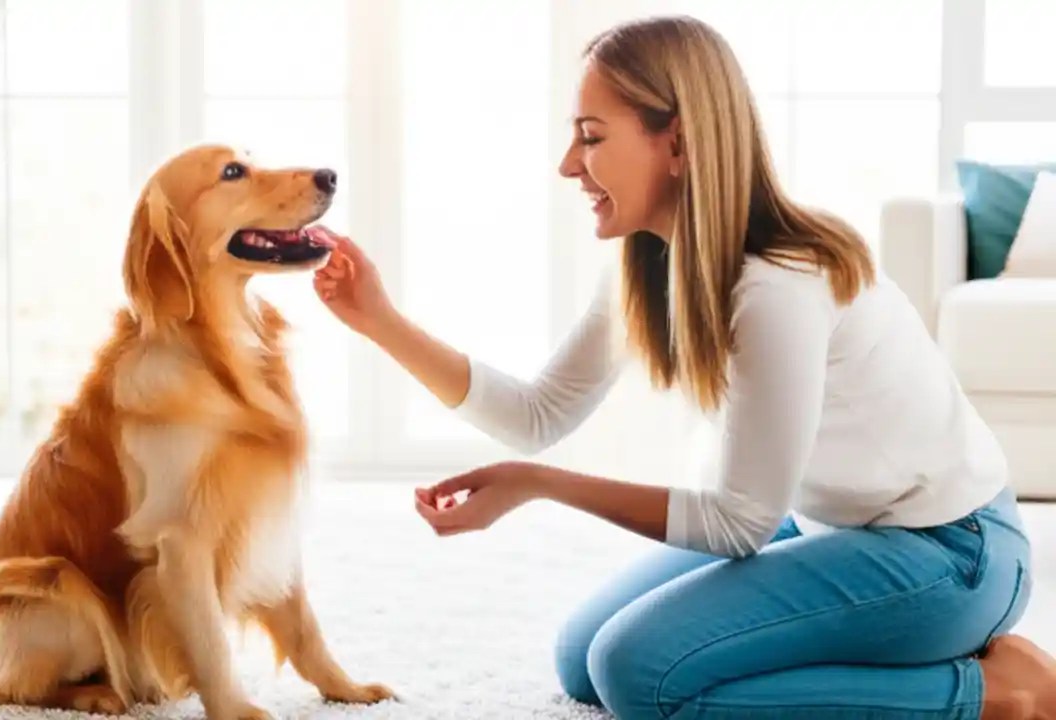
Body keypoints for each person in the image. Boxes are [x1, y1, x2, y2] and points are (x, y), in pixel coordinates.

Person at [312, 14, 1055, 720]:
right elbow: (538, 415)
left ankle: (996, 695)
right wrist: (376, 319)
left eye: (592, 137)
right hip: (838, 526)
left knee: (641, 673)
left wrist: (536, 485)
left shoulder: (778, 285)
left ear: (680, 143)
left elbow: (740, 522)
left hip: (952, 555)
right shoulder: (651, 262)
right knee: (583, 659)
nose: (569, 164)